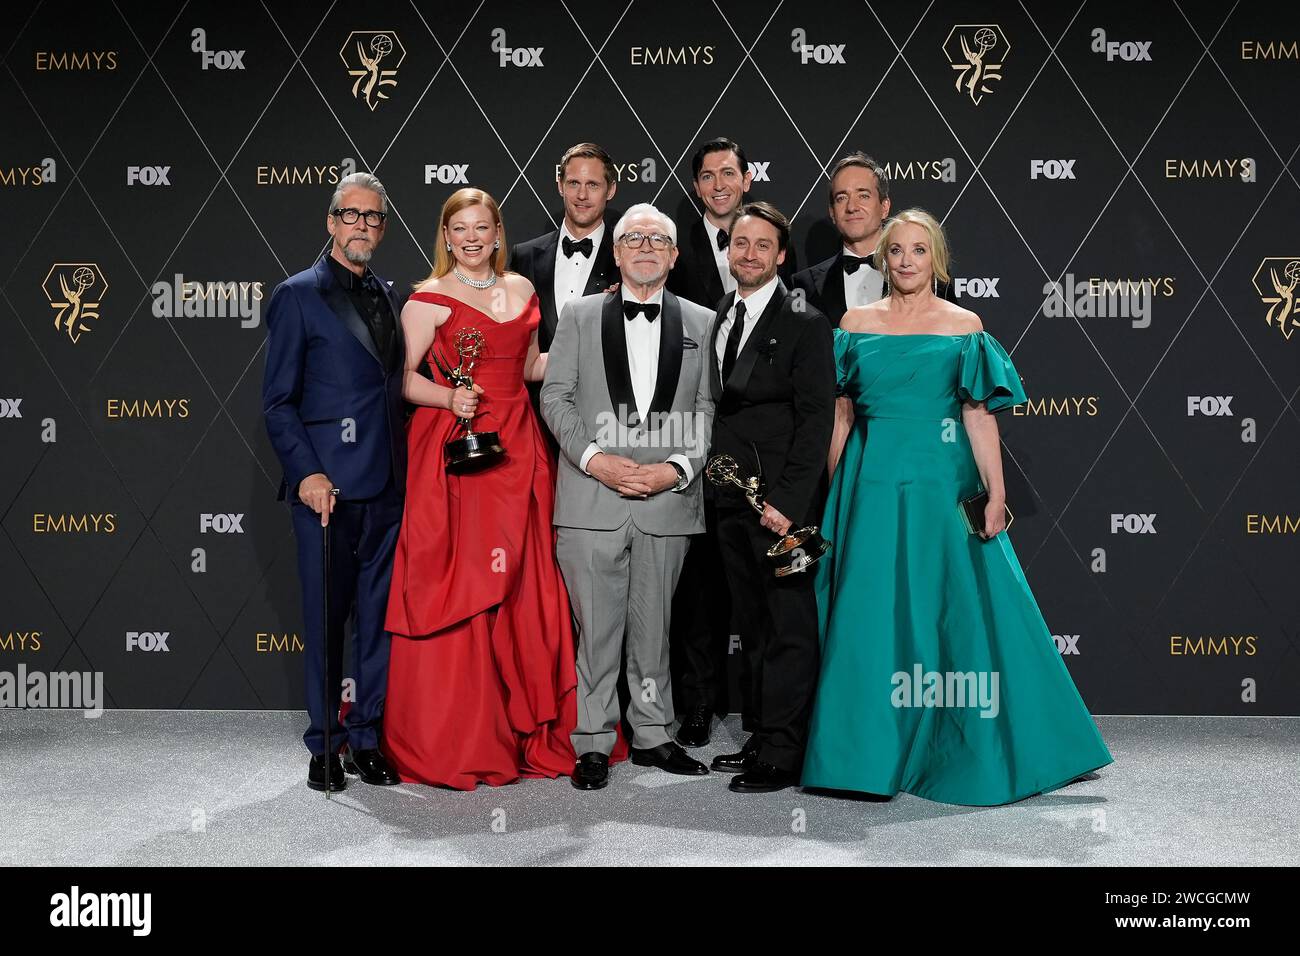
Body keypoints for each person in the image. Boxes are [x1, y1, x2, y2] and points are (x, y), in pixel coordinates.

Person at [803, 209, 1114, 805]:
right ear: (883, 258)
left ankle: (984, 747)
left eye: (919, 251)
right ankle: (862, 758)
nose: (907, 261)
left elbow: (978, 414)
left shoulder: (965, 326)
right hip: (869, 488)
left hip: (942, 485)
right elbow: (841, 417)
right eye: (896, 251)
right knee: (870, 617)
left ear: (936, 259)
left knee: (959, 610)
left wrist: (996, 494)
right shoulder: (854, 322)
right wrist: (835, 491)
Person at [382, 187, 588, 789]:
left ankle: (526, 723)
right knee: (469, 575)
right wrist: (450, 396)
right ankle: (465, 730)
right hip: (458, 449)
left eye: (483, 227)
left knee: (524, 575)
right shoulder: (426, 299)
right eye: (460, 229)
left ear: (498, 234)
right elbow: (398, 380)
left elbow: (526, 367)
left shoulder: (522, 290)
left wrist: (592, 349)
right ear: (446, 237)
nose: (472, 237)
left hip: (520, 445)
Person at [541, 203, 716, 790]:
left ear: (673, 255)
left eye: (657, 240)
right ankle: (593, 741)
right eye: (633, 238)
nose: (645, 247)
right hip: (592, 499)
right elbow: (556, 398)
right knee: (597, 631)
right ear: (615, 253)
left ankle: (652, 733)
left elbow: (707, 409)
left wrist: (676, 468)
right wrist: (596, 460)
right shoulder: (579, 315)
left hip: (667, 502)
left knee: (654, 629)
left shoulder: (702, 321)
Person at [262, 172, 406, 793]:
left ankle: (367, 738)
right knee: (326, 624)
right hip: (327, 493)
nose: (363, 227)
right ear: (330, 222)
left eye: (374, 218)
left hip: (389, 487)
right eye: (353, 215)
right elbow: (277, 403)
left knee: (377, 624)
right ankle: (325, 745)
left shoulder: (393, 294)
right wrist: (308, 473)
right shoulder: (296, 296)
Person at [706, 202, 834, 793]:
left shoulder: (805, 319)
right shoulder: (721, 316)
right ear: (728, 251)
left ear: (782, 256)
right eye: (739, 244)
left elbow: (816, 420)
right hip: (730, 497)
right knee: (753, 623)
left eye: (762, 246)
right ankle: (762, 732)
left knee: (787, 625)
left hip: (781, 505)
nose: (749, 254)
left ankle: (785, 750)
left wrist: (789, 501)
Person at [792, 152, 954, 326]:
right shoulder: (804, 284)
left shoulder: (928, 276)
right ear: (832, 212)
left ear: (884, 207)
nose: (852, 207)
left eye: (863, 196)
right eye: (841, 198)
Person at [508, 142, 620, 353]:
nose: (582, 195)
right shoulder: (524, 257)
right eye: (574, 183)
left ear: (611, 189)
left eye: (593, 185)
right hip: (538, 384)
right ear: (560, 186)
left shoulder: (626, 257)